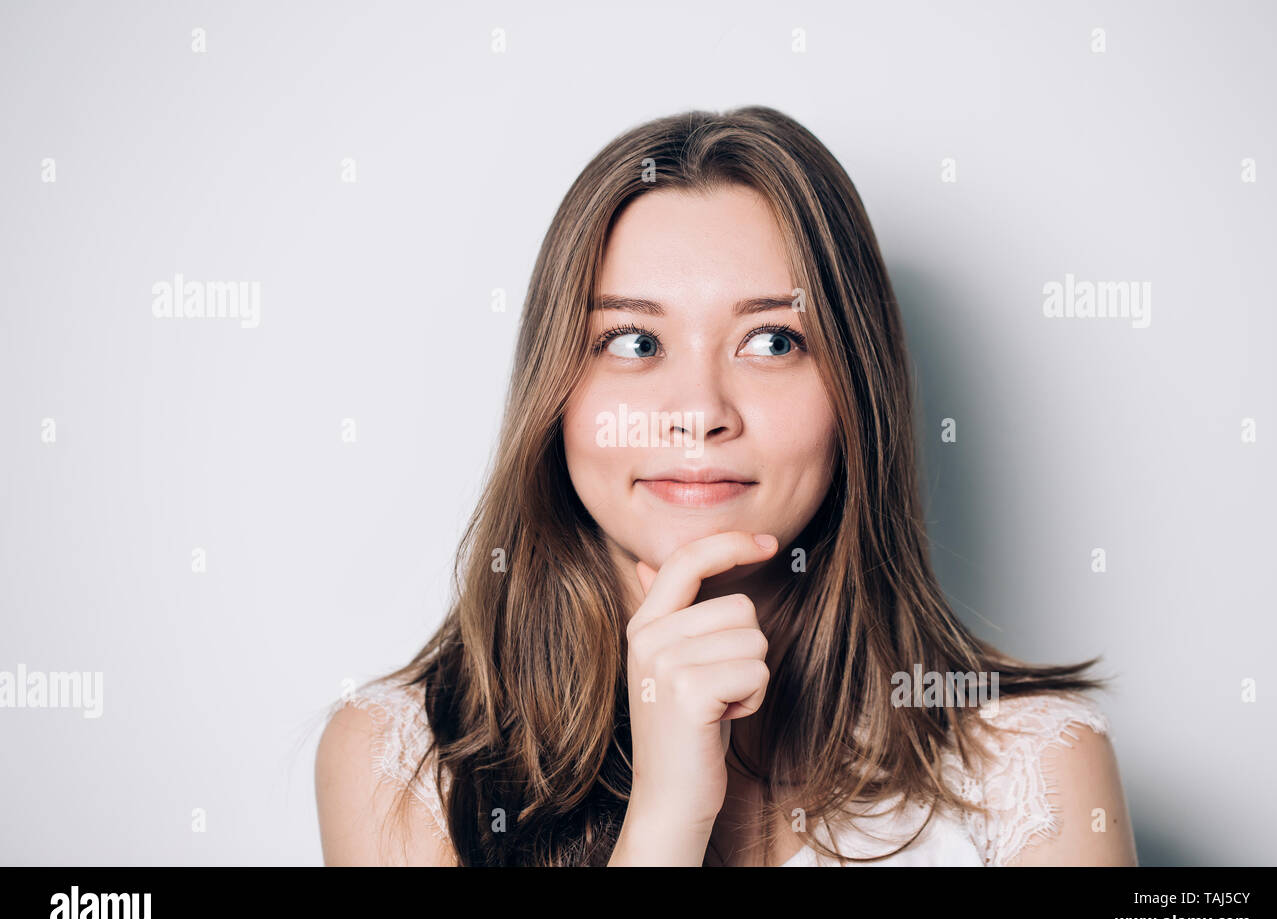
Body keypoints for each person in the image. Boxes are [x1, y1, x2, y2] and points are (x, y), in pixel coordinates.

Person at [315, 106, 1138, 867]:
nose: (699, 414)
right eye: (634, 341)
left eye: (773, 341)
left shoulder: (1034, 764)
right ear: (555, 392)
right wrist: (667, 817)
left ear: (857, 390)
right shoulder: (404, 761)